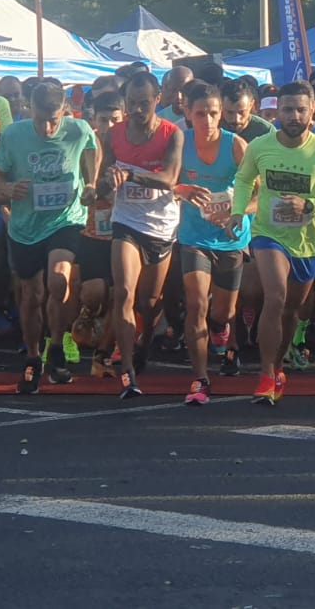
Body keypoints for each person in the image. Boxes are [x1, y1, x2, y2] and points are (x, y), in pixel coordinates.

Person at [229, 81, 315, 406]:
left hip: (308, 244)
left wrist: (309, 206)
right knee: (275, 295)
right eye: (287, 109)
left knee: (291, 311)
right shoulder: (260, 146)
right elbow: (243, 179)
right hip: (268, 235)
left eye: (300, 109)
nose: (293, 116)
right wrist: (238, 211)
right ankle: (266, 373)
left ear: (313, 111)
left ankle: (278, 365)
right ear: (276, 112)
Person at [0, 81, 98, 393]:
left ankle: (55, 344)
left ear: (65, 111)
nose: (48, 127)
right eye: (41, 120)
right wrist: (9, 189)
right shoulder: (14, 135)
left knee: (58, 280)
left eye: (54, 120)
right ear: (29, 110)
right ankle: (33, 356)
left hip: (65, 219)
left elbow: (92, 149)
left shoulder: (78, 129)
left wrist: (90, 184)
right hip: (25, 226)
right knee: (31, 296)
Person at [97, 71, 184, 399]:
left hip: (161, 225)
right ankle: (127, 370)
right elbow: (105, 182)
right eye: (131, 103)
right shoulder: (114, 134)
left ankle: (145, 342)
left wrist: (131, 173)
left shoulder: (171, 133)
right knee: (124, 293)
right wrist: (108, 181)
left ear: (157, 100)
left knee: (148, 303)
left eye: (143, 103)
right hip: (126, 222)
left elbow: (170, 177)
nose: (137, 109)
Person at [173, 82, 251, 404]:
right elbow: (167, 181)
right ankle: (200, 379)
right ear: (188, 114)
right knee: (196, 305)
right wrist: (183, 190)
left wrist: (236, 210)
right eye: (200, 114)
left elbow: (259, 193)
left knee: (223, 311)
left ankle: (221, 328)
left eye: (213, 114)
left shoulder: (236, 146)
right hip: (193, 236)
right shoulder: (180, 142)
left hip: (230, 237)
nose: (207, 121)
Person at [78, 91, 125, 378]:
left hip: (123, 230)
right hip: (91, 231)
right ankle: (87, 314)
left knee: (119, 293)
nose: (108, 125)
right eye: (103, 120)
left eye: (114, 120)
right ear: (93, 120)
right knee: (95, 292)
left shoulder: (130, 146)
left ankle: (103, 354)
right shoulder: (86, 145)